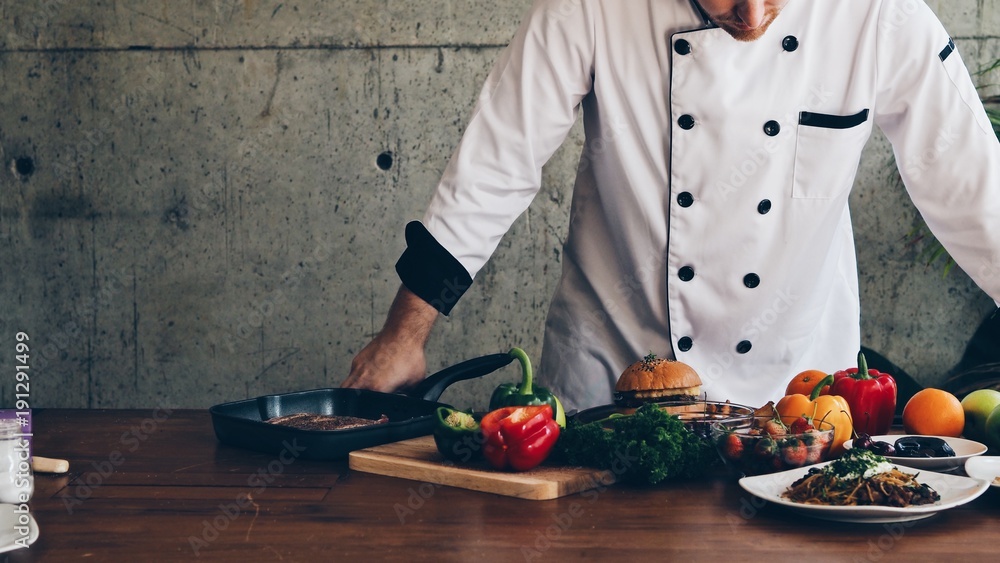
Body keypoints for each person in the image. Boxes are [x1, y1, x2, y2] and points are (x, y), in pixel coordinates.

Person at [342, 0, 1000, 410]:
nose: (751, 15)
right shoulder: (588, 6)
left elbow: (973, 188)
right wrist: (404, 334)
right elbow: (496, 160)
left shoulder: (881, 14)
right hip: (616, 379)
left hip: (800, 399)